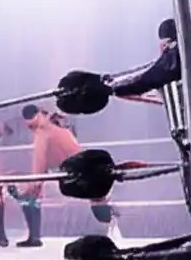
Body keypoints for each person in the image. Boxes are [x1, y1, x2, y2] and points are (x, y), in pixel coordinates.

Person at [12, 104, 114, 248]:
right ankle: (109, 231)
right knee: (97, 198)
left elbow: (40, 160)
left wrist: (33, 184)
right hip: (82, 166)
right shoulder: (55, 125)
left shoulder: (43, 131)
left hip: (75, 171)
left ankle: (34, 237)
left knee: (29, 194)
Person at [109, 18, 181, 98]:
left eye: (166, 44)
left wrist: (115, 90)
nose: (165, 48)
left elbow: (147, 80)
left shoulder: (172, 60)